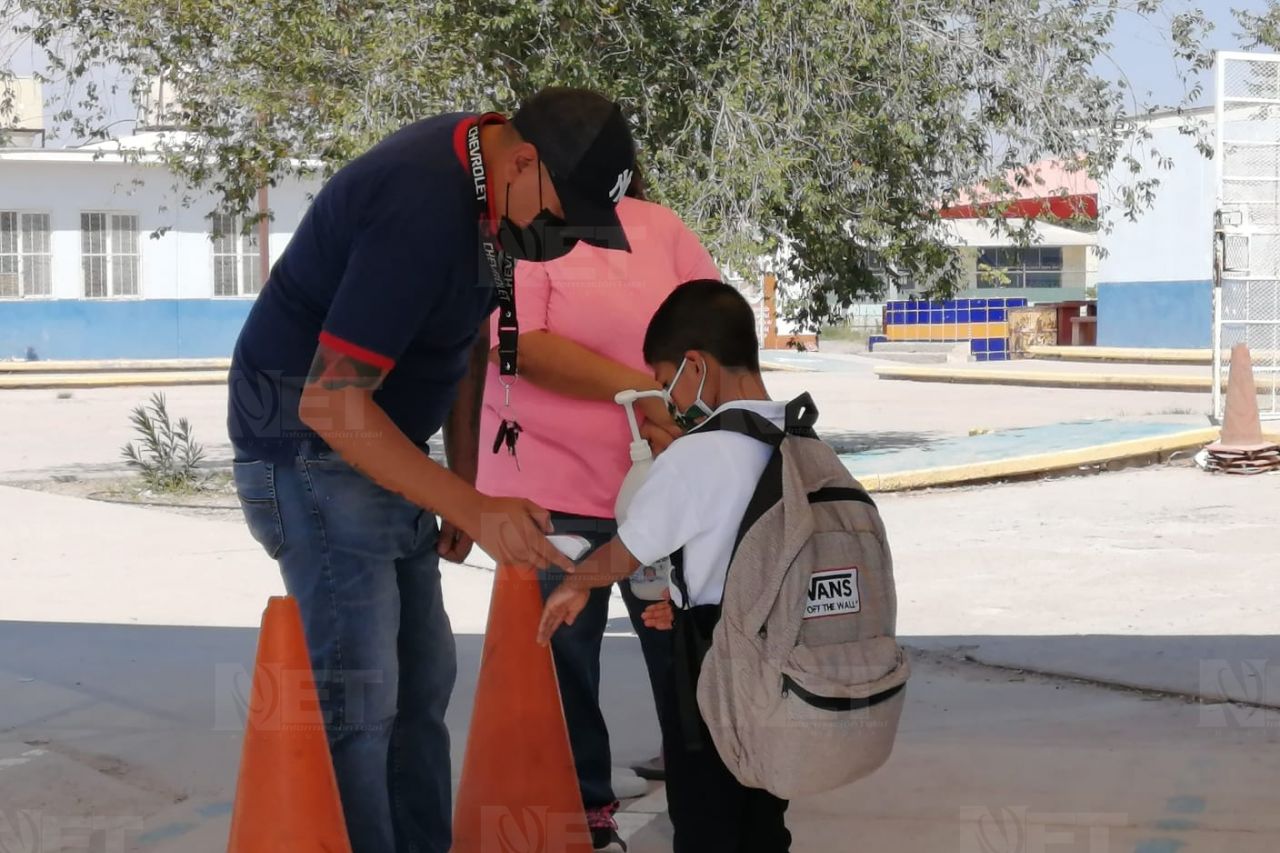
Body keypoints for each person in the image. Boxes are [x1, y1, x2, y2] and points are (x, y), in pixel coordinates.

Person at [227, 88, 639, 853]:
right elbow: (330, 403)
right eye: (564, 217)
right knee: (362, 699)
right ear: (523, 162)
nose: (563, 242)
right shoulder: (421, 205)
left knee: (423, 683)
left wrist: (465, 484)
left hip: (382, 444)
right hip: (308, 447)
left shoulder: (493, 201)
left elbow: (469, 347)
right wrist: (475, 508)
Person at [475, 181, 720, 851]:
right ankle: (582, 806)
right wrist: (642, 394)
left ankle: (706, 802)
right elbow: (514, 344)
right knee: (562, 664)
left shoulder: (661, 228)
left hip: (658, 490)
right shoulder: (523, 235)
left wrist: (685, 416)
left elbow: (716, 333)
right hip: (546, 492)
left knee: (684, 651)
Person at [536, 279, 792, 853]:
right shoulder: (798, 435)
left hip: (710, 672)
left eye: (664, 381)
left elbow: (629, 547)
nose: (667, 399)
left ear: (696, 366)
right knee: (763, 819)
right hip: (779, 665)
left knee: (705, 818)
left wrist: (576, 585)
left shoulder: (697, 453)